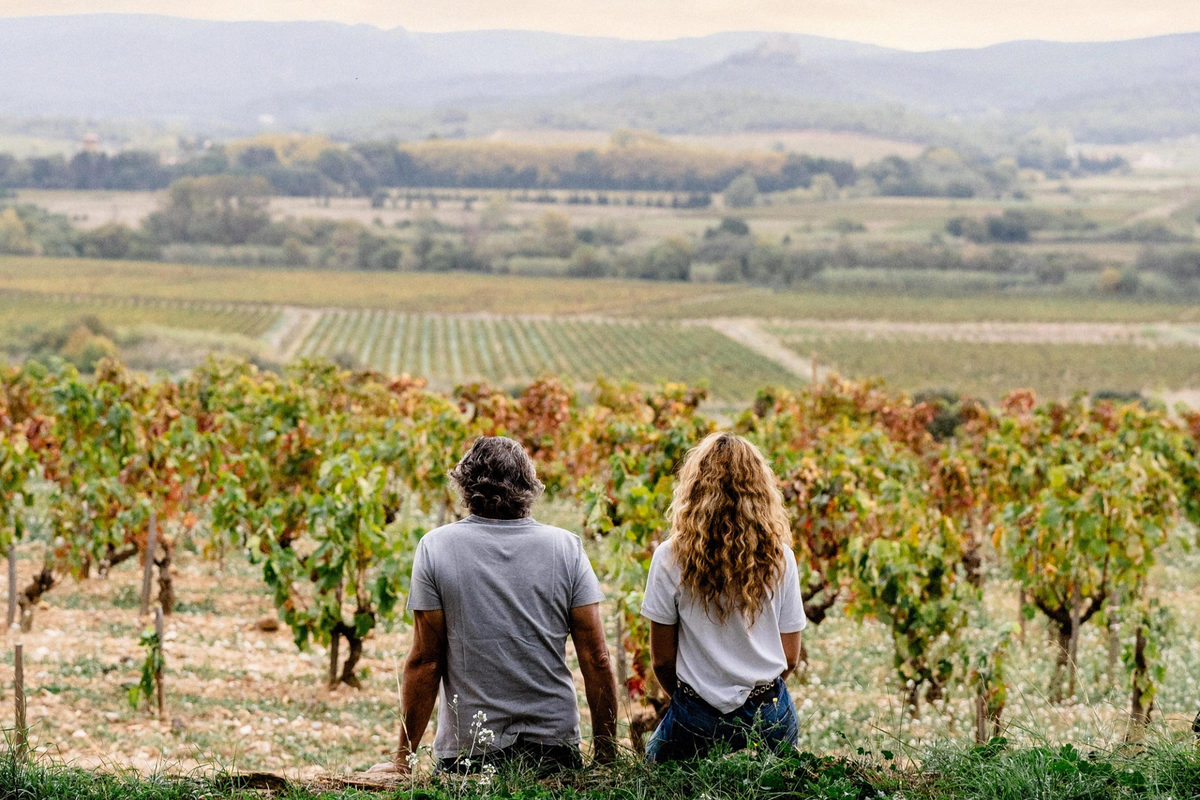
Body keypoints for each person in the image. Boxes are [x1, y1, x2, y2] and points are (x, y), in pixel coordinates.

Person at [371, 436, 618, 776]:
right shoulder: (566, 548)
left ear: (464, 486)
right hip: (553, 752)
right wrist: (606, 756)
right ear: (529, 486)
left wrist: (403, 761)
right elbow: (598, 658)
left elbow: (426, 662)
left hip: (468, 756)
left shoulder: (436, 547)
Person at [641, 431, 805, 763]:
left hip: (696, 713)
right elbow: (790, 657)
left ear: (694, 488)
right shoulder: (782, 557)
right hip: (769, 712)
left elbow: (661, 659)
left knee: (654, 777)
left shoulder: (669, 557)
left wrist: (692, 702)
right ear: (760, 490)